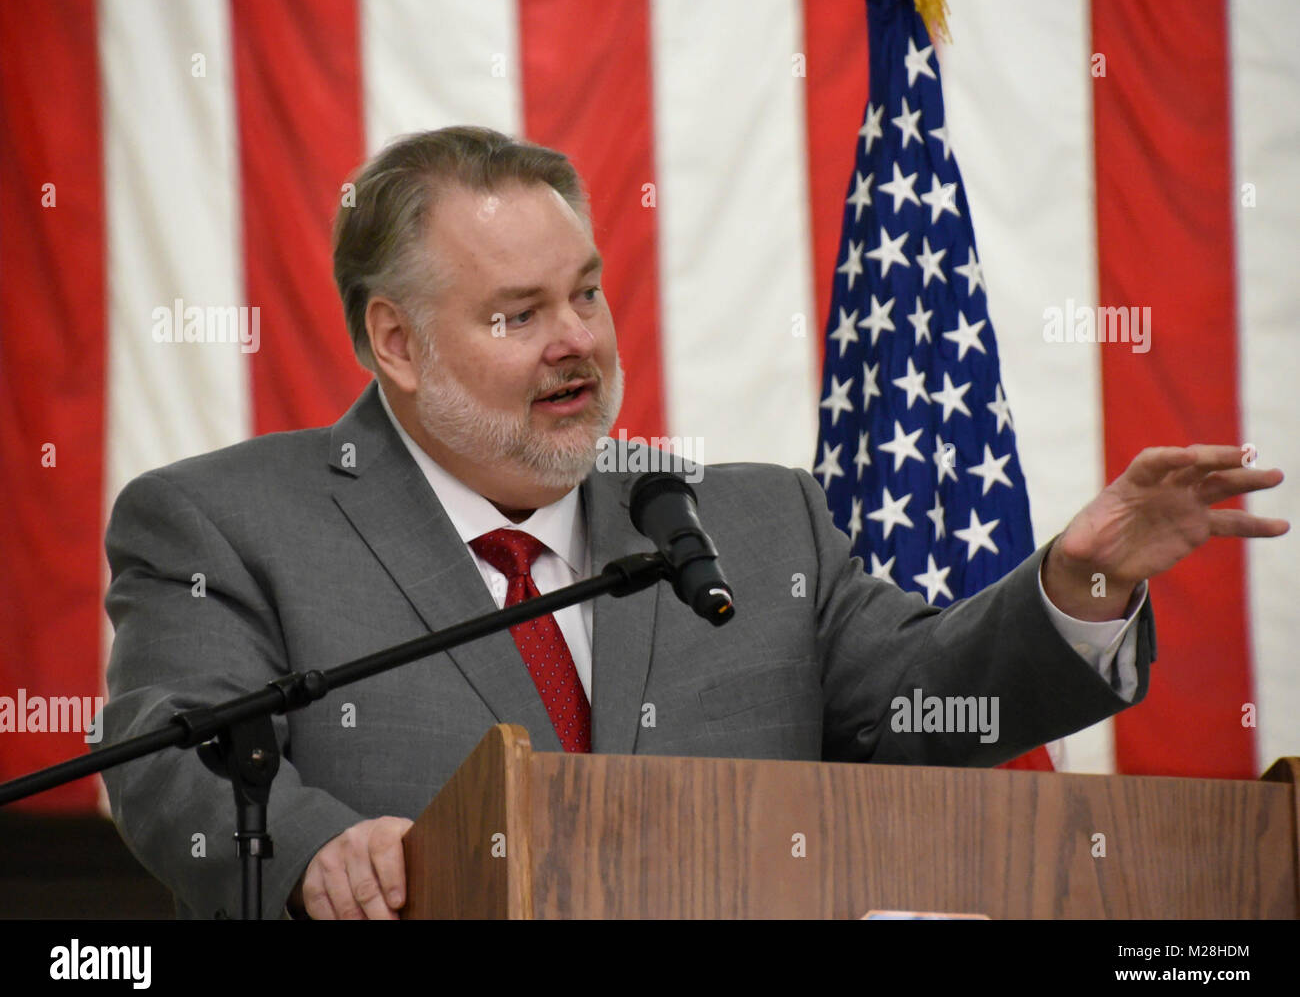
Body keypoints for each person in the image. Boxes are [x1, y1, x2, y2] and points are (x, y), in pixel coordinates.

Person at [96, 127, 1289, 920]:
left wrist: (1076, 583)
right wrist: (311, 850)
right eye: (519, 314)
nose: (578, 339)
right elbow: (163, 754)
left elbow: (920, 702)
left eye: (587, 290)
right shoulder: (223, 520)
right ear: (396, 342)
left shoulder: (753, 521)